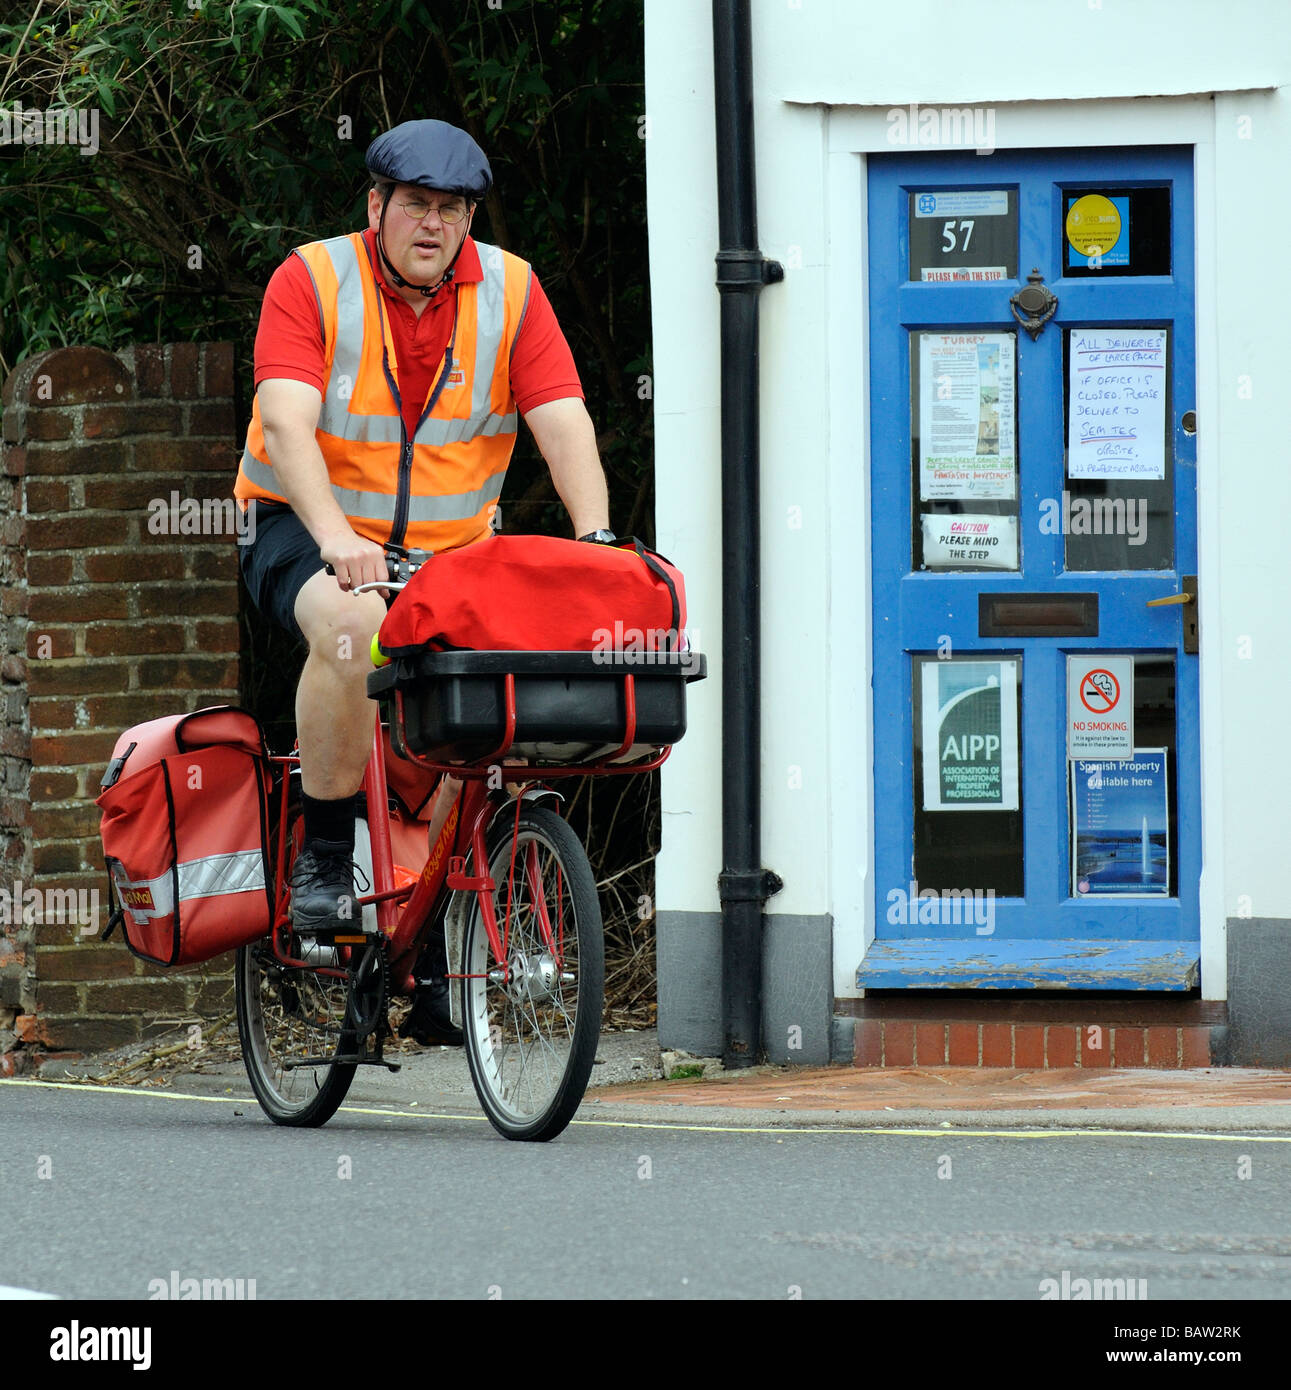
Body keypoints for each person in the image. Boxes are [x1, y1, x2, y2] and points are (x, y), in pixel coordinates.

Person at [235, 118, 614, 1042]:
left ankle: (439, 943)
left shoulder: (512, 292)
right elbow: (285, 423)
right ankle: (325, 859)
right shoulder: (313, 278)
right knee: (351, 627)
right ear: (377, 206)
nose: (434, 225)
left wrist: (599, 538)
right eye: (416, 206)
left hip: (450, 552)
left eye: (453, 211)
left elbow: (560, 421)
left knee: (477, 709)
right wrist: (333, 539)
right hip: (300, 528)